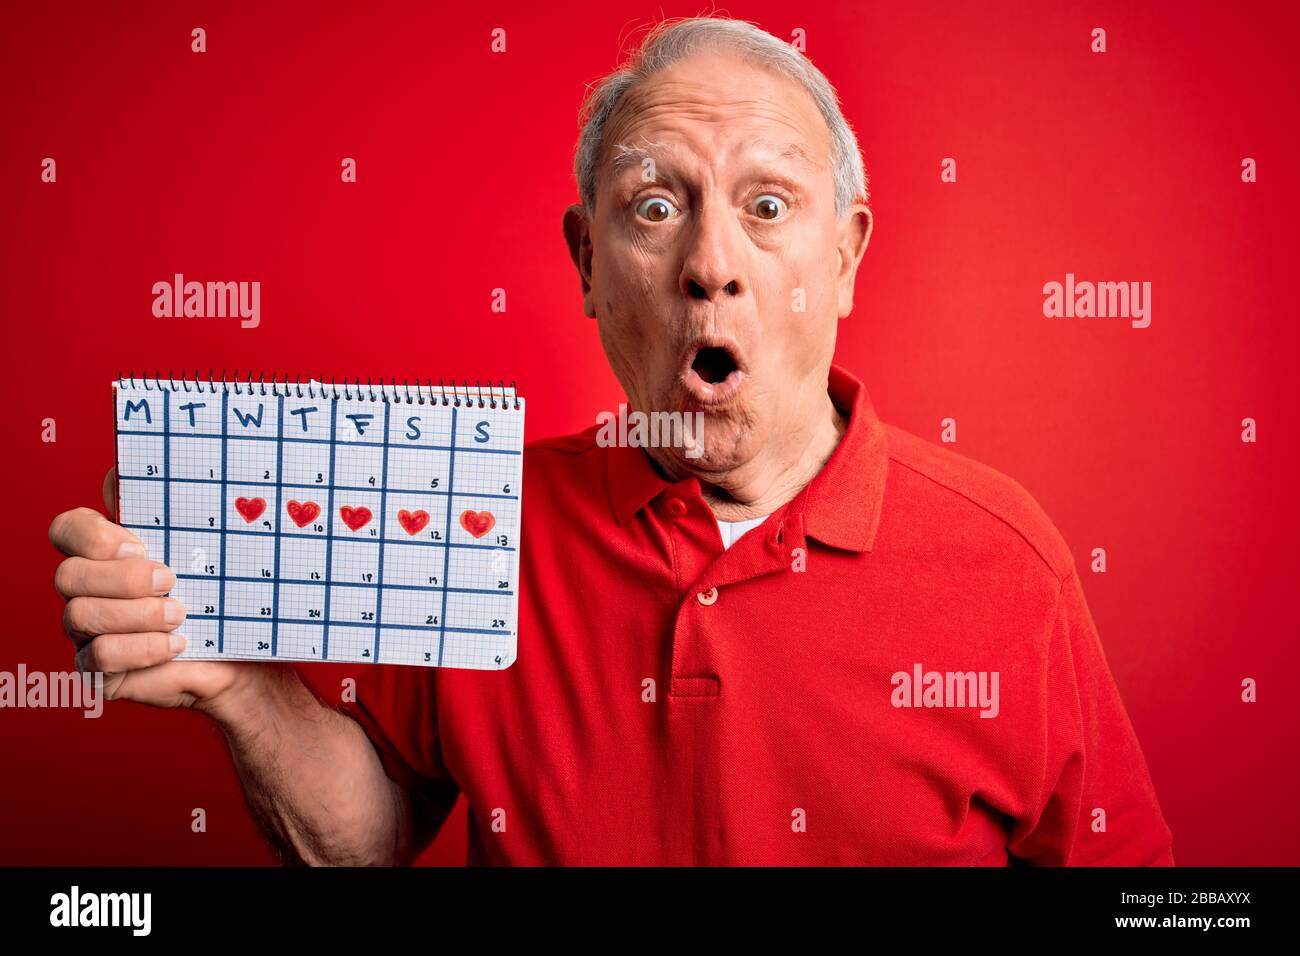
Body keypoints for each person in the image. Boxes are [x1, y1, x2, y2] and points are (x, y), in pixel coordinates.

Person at [47, 16, 1174, 865]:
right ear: (587, 262)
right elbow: (373, 835)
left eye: (769, 206)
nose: (711, 262)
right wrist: (239, 685)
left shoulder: (1004, 562)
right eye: (654, 205)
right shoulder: (478, 520)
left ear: (844, 258)